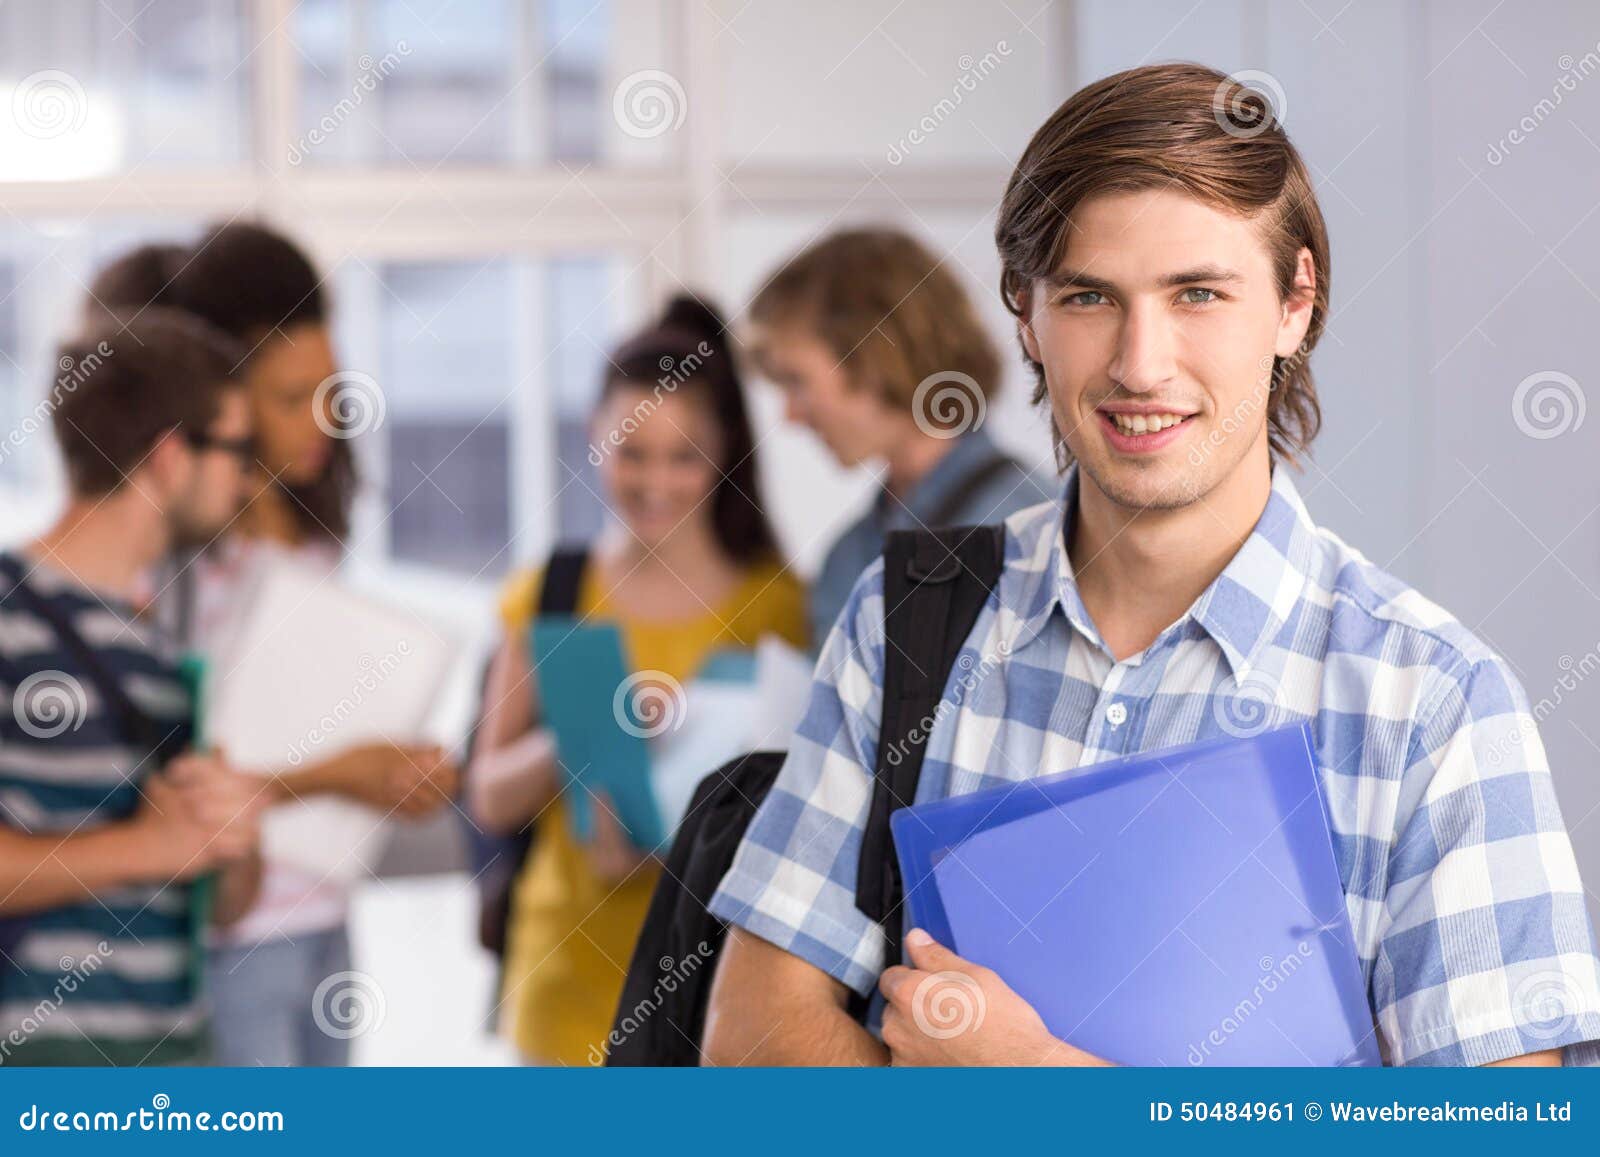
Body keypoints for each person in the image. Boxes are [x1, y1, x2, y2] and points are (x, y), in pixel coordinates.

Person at [701, 62, 1600, 1068]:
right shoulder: (902, 621)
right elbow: (751, 1037)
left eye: (1198, 293)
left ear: (1295, 304)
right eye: (1090, 296)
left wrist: (1038, 1086)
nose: (1140, 361)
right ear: (1025, 315)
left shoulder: (1434, 704)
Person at [89, 223, 459, 1066]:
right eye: (291, 398)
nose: (322, 421)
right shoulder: (171, 571)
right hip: (233, 943)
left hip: (325, 917)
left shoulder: (311, 536)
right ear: (222, 396)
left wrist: (400, 772)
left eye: (330, 389)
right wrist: (346, 771)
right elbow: (167, 786)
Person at [467, 295, 807, 1065]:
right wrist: (589, 735)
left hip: (717, 984)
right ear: (594, 437)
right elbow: (487, 792)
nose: (655, 480)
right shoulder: (549, 590)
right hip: (564, 980)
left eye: (683, 455)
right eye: (631, 450)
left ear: (724, 453)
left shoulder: (778, 605)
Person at [0, 309, 265, 1066]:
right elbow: (160, 852)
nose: (247, 481)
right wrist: (150, 845)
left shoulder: (165, 643)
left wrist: (234, 839)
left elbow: (219, 901)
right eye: (238, 450)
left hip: (176, 1058)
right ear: (171, 457)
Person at [747, 227, 1052, 643]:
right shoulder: (848, 559)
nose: (790, 416)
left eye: (797, 381)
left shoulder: (1035, 533)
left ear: (874, 358)